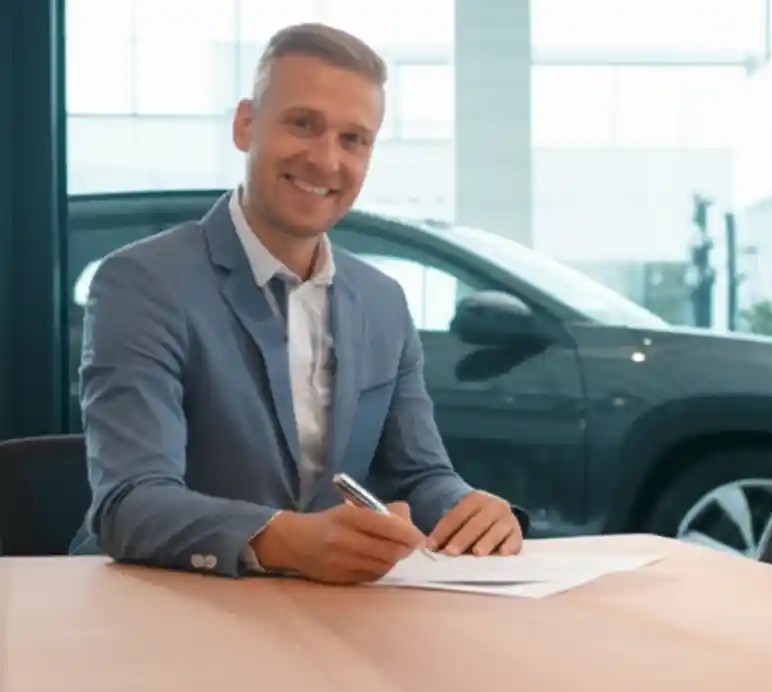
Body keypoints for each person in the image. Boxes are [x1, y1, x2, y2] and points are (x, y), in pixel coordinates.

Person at [69, 22, 523, 584]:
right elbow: (129, 504)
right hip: (166, 608)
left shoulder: (382, 300)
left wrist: (466, 509)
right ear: (245, 124)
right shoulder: (141, 282)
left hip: (326, 614)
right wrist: (285, 539)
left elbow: (419, 477)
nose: (327, 160)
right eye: (303, 124)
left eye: (353, 139)